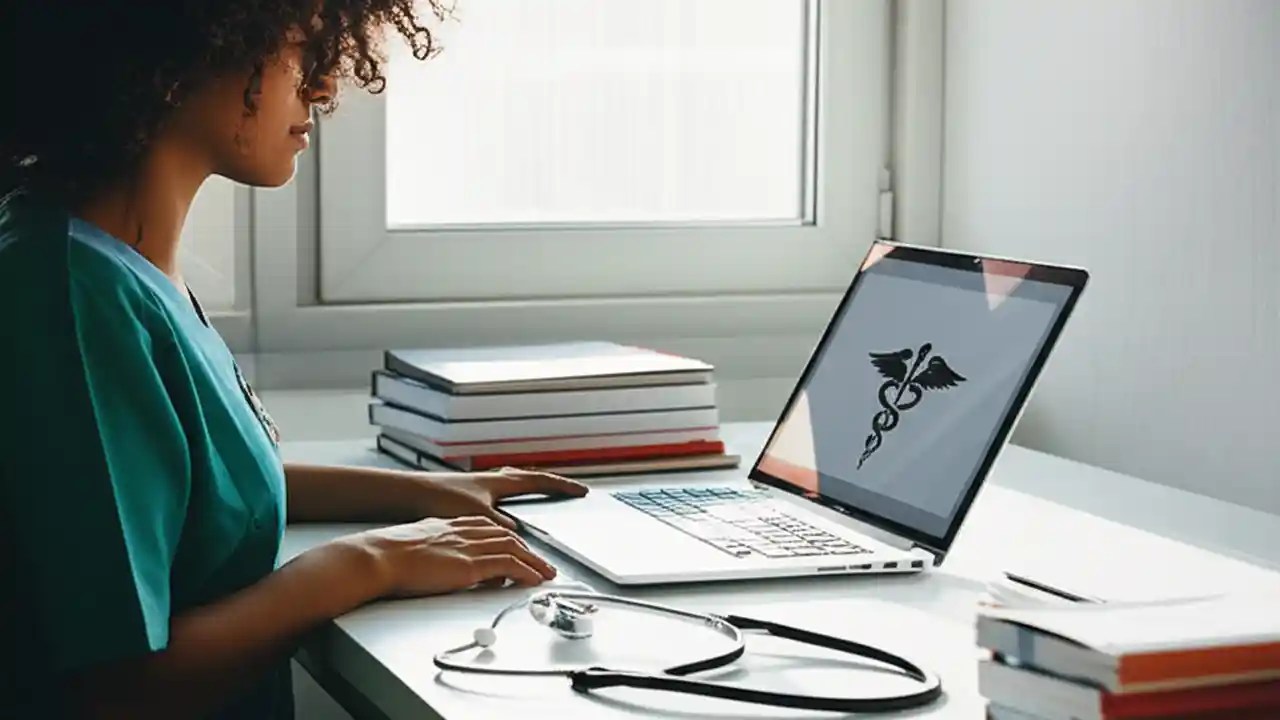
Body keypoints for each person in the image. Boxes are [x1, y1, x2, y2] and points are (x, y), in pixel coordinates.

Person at [0, 2, 588, 718]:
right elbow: (117, 688)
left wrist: (425, 494)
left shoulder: (117, 262)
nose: (323, 88)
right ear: (183, 55)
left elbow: (196, 488)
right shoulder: (73, 298)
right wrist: (368, 562)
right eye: (297, 51)